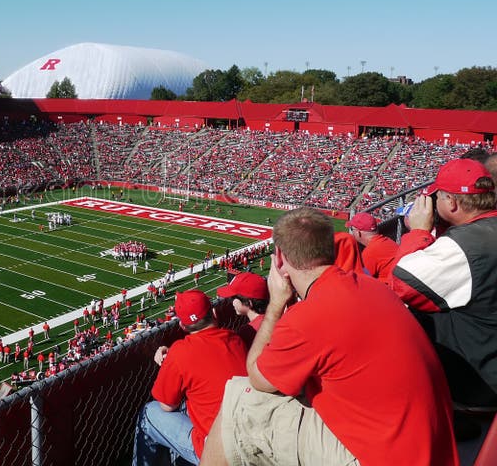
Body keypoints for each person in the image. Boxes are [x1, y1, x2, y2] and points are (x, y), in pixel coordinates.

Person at [201, 207, 458, 466]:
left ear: (279, 259)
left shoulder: (309, 317)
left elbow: (258, 378)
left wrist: (276, 303)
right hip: (426, 444)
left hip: (382, 455)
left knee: (238, 398)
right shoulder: (370, 285)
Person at [391, 158, 497, 406]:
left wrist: (418, 232)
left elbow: (401, 285)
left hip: (475, 385)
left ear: (451, 202)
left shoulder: (465, 245)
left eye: (436, 197)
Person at [132, 289, 248, 465]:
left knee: (149, 413)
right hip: (247, 438)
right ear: (214, 313)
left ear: (183, 326)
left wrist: (173, 359)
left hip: (215, 451)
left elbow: (167, 405)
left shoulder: (180, 352)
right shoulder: (235, 339)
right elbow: (209, 358)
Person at [215, 271, 269, 350]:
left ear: (249, 303)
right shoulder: (275, 316)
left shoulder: (247, 331)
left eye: (233, 298)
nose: (232, 302)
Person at [345, 211, 398, 282]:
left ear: (358, 233)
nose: (352, 232)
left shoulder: (370, 252)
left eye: (352, 229)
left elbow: (359, 280)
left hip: (388, 289)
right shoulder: (388, 241)